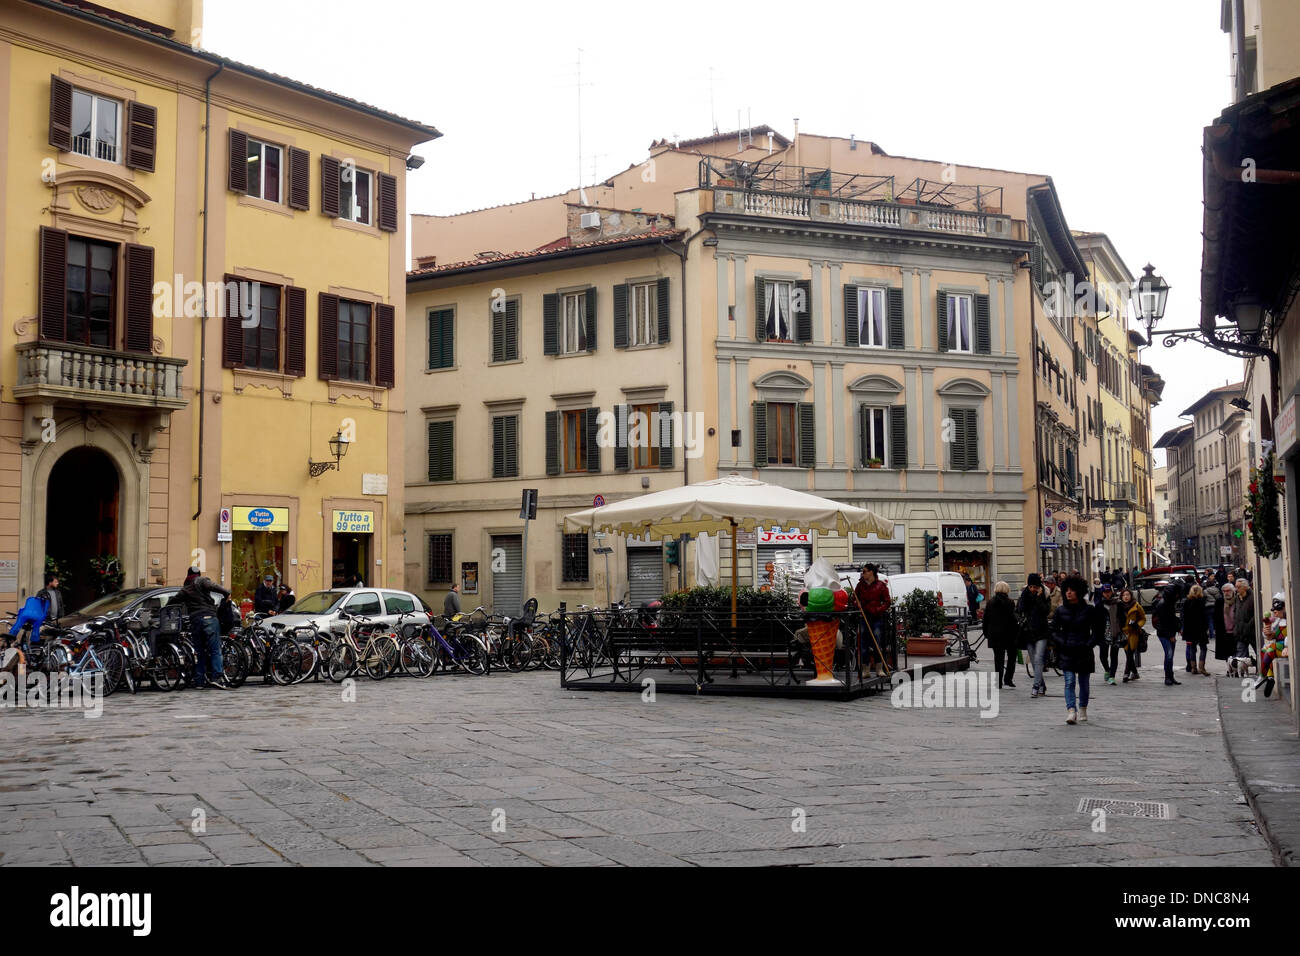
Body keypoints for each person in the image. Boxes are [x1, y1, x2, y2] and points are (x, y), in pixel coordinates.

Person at [168, 567, 231, 689]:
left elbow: (174, 601)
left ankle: (199, 681)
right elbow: (215, 587)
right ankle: (216, 677)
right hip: (209, 618)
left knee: (199, 651)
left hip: (196, 620)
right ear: (199, 574)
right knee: (215, 650)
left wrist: (164, 609)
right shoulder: (202, 580)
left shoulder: (185, 589)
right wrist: (226, 593)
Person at [1051, 576, 1101, 724]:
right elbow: (1053, 630)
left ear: (1079, 592)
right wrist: (1062, 642)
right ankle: (1071, 710)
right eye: (1067, 590)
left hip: (1083, 650)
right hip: (1067, 650)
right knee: (1069, 681)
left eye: (1072, 590)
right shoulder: (1060, 611)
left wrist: (1088, 644)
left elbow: (1097, 631)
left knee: (1084, 683)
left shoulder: (1089, 610)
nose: (1069, 593)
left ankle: (1083, 708)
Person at [854, 563, 891, 678]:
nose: (863, 573)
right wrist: (857, 604)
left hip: (876, 617)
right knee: (864, 644)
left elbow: (887, 602)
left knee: (877, 643)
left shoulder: (881, 585)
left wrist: (877, 610)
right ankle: (866, 670)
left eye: (865, 571)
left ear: (871, 572)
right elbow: (854, 599)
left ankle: (879, 669)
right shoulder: (860, 585)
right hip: (864, 617)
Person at [1018, 573, 1052, 698]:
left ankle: (1035, 686)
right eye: (1031, 586)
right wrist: (1025, 597)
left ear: (1040, 587)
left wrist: (1038, 598)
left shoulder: (1045, 595)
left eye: (1035, 587)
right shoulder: (1024, 595)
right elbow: (1019, 610)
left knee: (1038, 659)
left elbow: (1046, 611)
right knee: (1033, 661)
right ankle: (1042, 684)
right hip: (1028, 632)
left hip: (1042, 631)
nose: (1033, 589)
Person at [982, 580, 1019, 689]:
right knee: (1012, 657)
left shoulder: (990, 602)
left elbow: (986, 619)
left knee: (998, 658)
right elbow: (1013, 619)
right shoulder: (1011, 602)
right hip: (1009, 634)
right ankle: (1008, 679)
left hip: (995, 635)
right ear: (1007, 590)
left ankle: (998, 682)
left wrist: (986, 633)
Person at [1152, 580, 1183, 686]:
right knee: (1169, 654)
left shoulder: (1168, 602)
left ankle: (1170, 676)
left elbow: (1171, 619)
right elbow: (1165, 621)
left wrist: (1178, 628)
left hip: (1167, 631)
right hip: (1164, 633)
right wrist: (1170, 635)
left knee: (1169, 655)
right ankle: (1168, 677)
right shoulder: (1165, 604)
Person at [1257, 595, 1287, 698]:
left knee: (1270, 650)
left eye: (1277, 608)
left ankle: (1262, 675)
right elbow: (1272, 636)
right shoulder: (1278, 621)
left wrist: (1287, 646)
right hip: (1278, 645)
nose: (1274, 611)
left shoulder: (1290, 621)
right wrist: (1268, 633)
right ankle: (1270, 677)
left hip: (1284, 646)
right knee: (1264, 649)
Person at [1097, 584, 1124, 685]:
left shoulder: (1118, 603)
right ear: (1102, 593)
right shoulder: (1099, 605)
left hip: (1115, 632)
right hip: (1103, 633)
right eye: (1105, 592)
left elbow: (1122, 618)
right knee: (1103, 655)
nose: (1107, 594)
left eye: (1108, 592)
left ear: (1112, 592)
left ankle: (1112, 676)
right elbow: (1096, 621)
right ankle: (1107, 670)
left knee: (1114, 655)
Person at [1181, 584, 1210, 676]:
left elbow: (1183, 616)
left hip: (1190, 629)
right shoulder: (1202, 602)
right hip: (1200, 628)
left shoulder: (1186, 602)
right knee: (1203, 648)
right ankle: (1202, 667)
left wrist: (1183, 628)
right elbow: (1205, 617)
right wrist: (1207, 628)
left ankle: (1193, 668)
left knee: (1192, 648)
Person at [1230, 579, 1256, 678]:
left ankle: (1261, 672)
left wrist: (1248, 625)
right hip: (1240, 631)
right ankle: (1241, 674)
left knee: (1258, 651)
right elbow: (1236, 612)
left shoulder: (1253, 597)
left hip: (1251, 631)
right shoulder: (1237, 597)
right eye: (1236, 587)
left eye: (1238, 587)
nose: (1236, 589)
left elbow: (1255, 614)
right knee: (1241, 655)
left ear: (1245, 587)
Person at [1119, 588, 1146, 682]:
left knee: (1130, 653)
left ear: (1131, 596)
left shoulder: (1136, 606)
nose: (1126, 597)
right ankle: (1135, 673)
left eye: (1128, 595)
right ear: (1121, 596)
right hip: (1123, 633)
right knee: (1128, 654)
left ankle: (1126, 674)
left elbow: (1143, 618)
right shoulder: (1119, 606)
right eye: (1124, 595)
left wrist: (1137, 625)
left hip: (1134, 633)